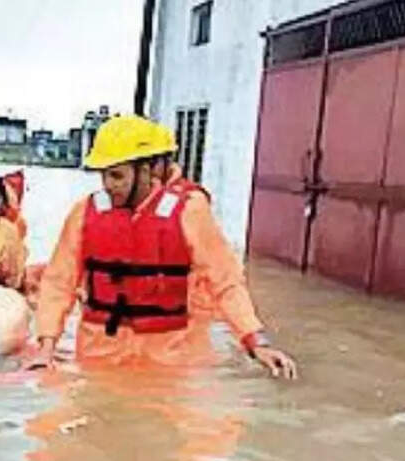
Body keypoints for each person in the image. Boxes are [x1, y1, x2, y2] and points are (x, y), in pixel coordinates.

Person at [25, 115, 298, 378]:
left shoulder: (189, 211)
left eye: (117, 176)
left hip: (172, 358)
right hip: (100, 354)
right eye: (104, 175)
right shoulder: (85, 212)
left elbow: (225, 281)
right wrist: (46, 348)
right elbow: (58, 282)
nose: (108, 185)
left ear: (145, 170)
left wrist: (255, 341)